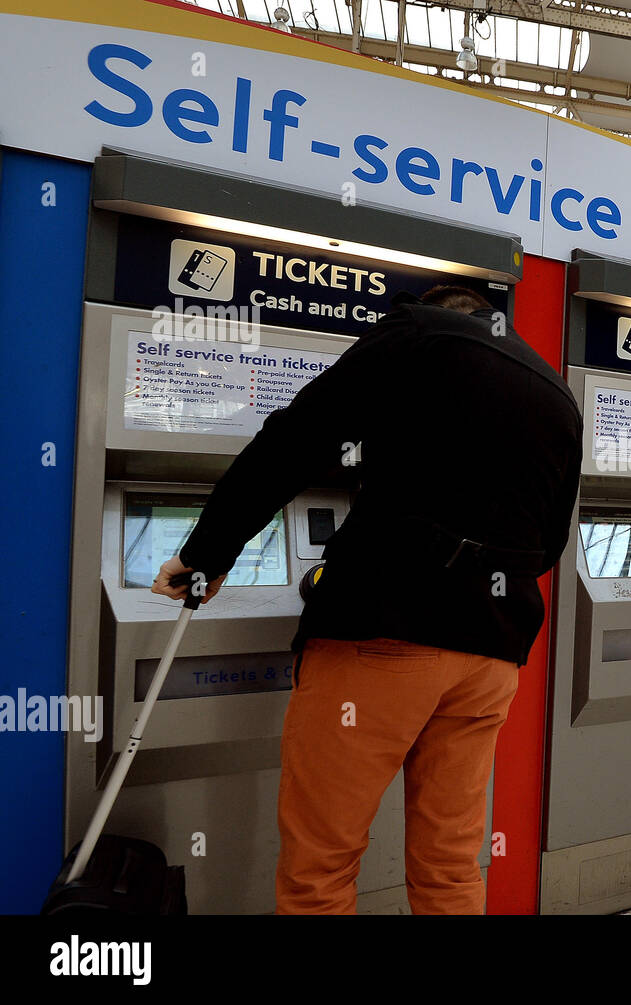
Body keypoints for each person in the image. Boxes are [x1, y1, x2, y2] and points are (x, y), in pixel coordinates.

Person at [151, 285, 583, 913]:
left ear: (435, 310)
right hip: (490, 658)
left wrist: (205, 556)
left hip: (382, 637)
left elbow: (294, 440)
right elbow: (549, 545)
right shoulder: (557, 394)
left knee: (320, 870)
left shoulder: (414, 332)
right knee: (451, 867)